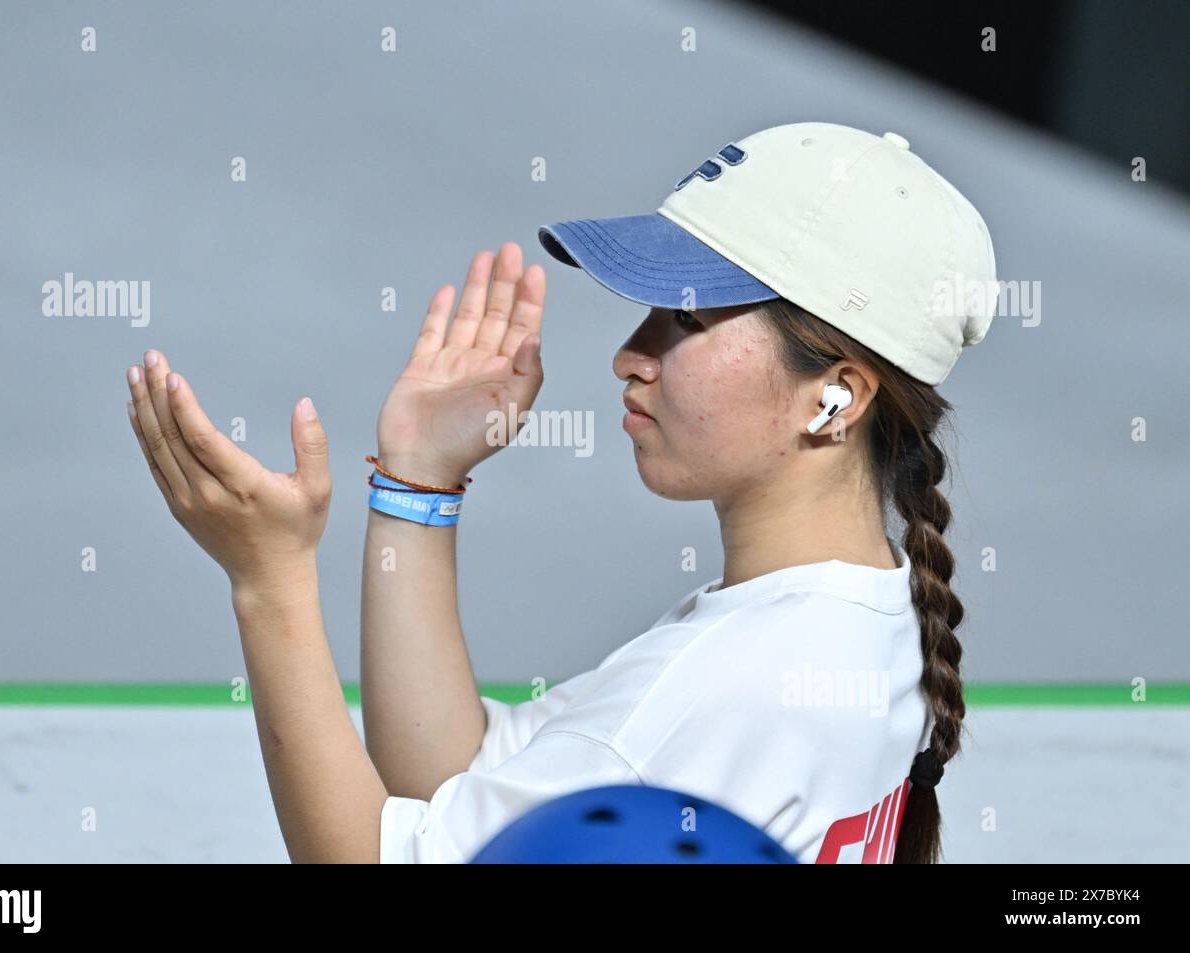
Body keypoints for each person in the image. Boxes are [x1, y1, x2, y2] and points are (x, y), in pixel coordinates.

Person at [125, 121, 997, 863]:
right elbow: (458, 780)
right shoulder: (869, 608)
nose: (630, 353)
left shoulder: (719, 688)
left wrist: (268, 582)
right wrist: (418, 483)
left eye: (686, 319)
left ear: (835, 394)